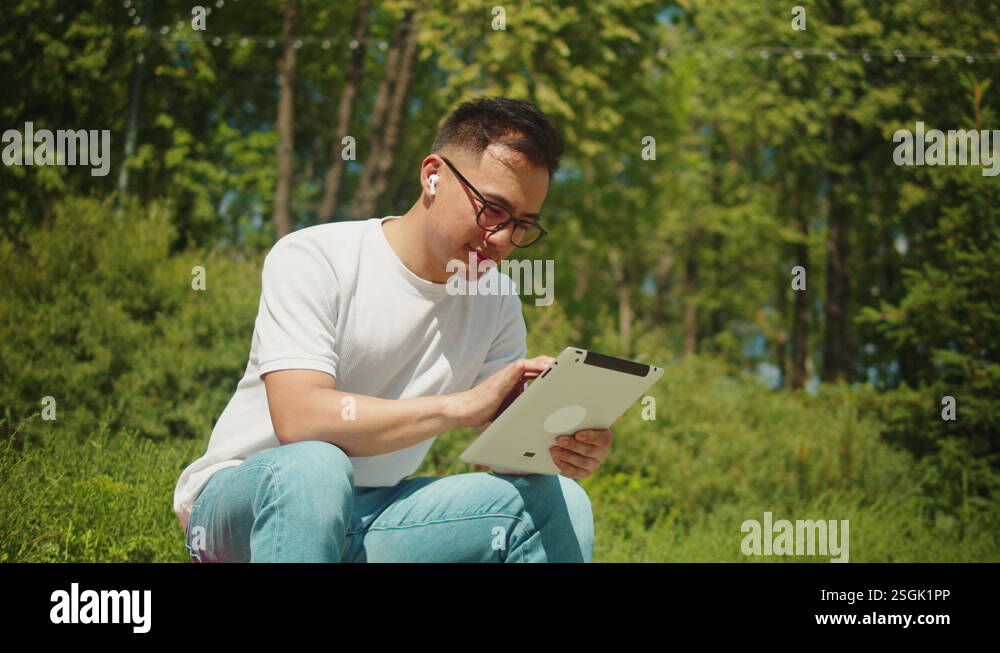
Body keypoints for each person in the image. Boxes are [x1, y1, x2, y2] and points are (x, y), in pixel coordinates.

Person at [173, 97, 612, 562]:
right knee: (317, 467)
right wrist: (458, 408)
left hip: (376, 518)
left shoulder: (496, 301)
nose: (502, 240)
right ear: (432, 176)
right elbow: (299, 420)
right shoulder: (315, 257)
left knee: (562, 500)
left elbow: (498, 459)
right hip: (250, 504)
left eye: (522, 225)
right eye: (493, 209)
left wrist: (558, 443)